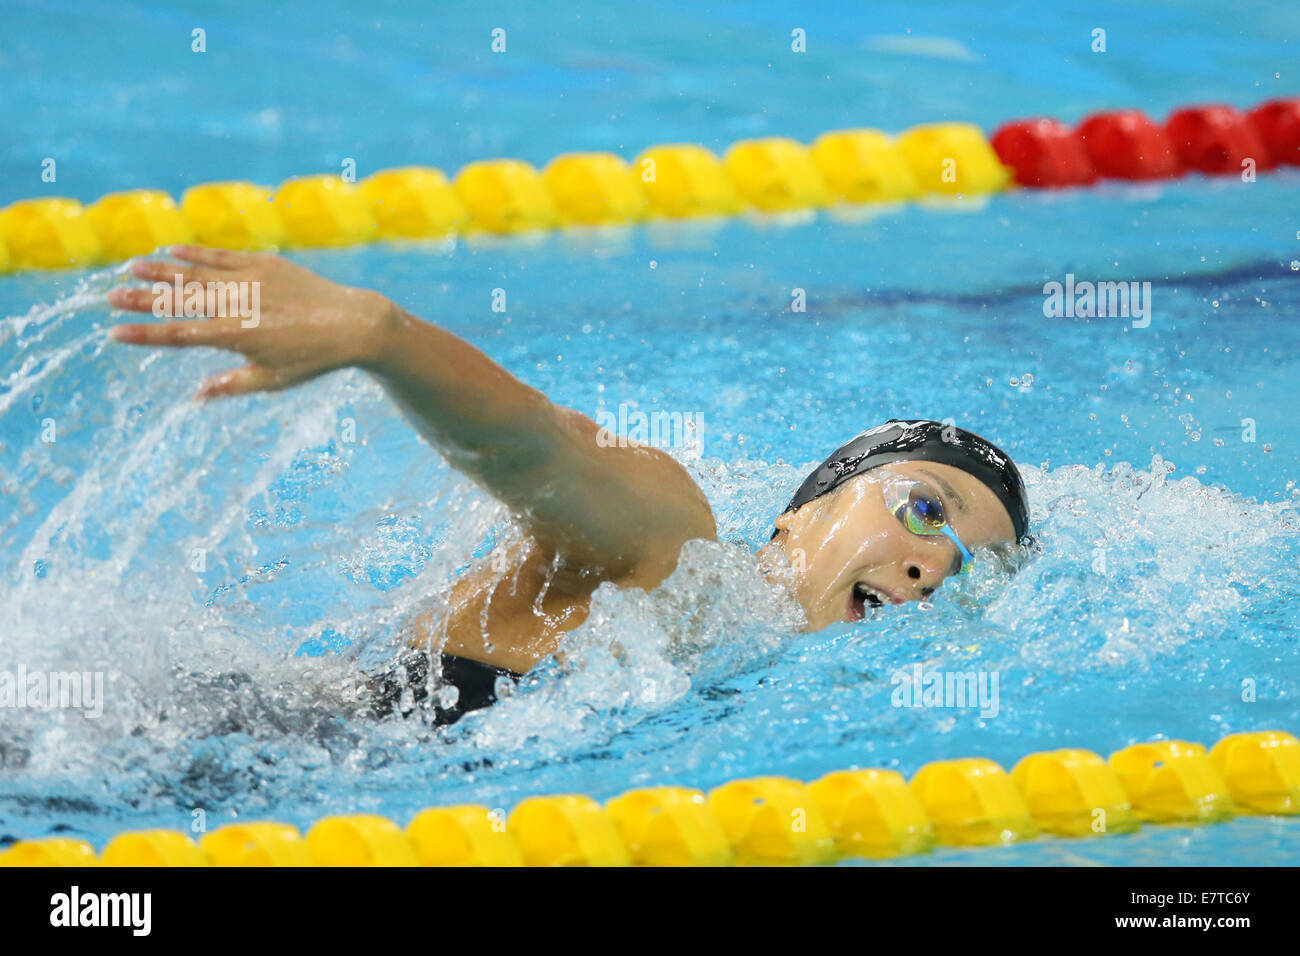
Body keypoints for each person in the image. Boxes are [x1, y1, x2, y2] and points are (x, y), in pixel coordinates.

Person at [107, 246, 1031, 724]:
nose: (931, 569)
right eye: (923, 509)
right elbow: (536, 450)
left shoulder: (738, 667)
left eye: (968, 567)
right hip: (199, 743)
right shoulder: (675, 544)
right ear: (801, 515)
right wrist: (378, 336)